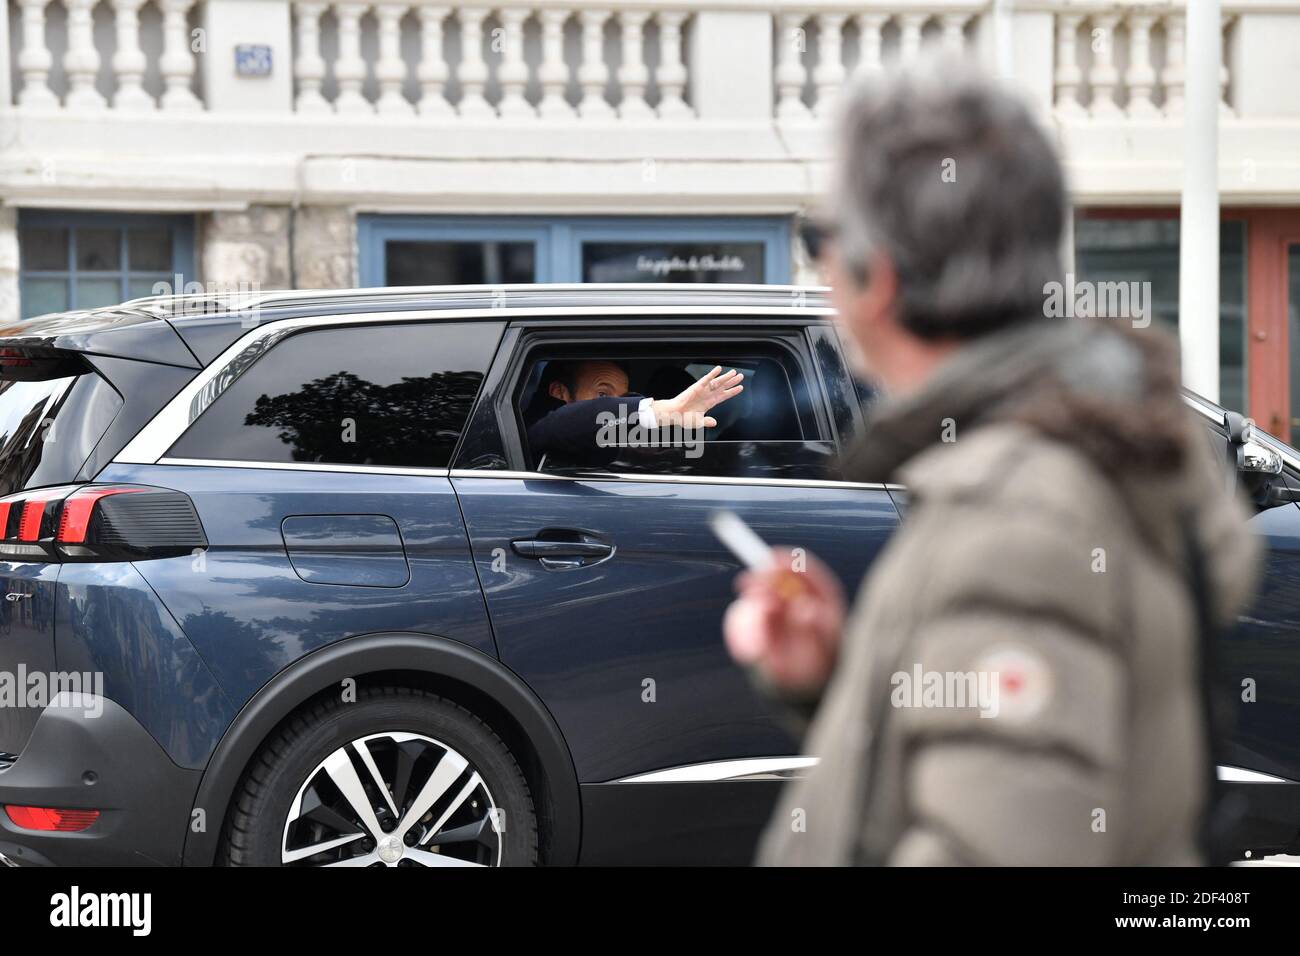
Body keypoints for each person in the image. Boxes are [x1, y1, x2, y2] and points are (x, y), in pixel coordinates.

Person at [722, 59, 1261, 866]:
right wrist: (841, 675)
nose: (821, 269)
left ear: (882, 277)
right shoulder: (1075, 459)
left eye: (820, 239)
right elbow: (1012, 772)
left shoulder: (1019, 514)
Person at [525, 359, 743, 464]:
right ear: (559, 392)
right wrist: (665, 409)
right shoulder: (536, 435)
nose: (616, 407)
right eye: (603, 395)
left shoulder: (620, 446)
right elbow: (561, 425)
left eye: (624, 398)